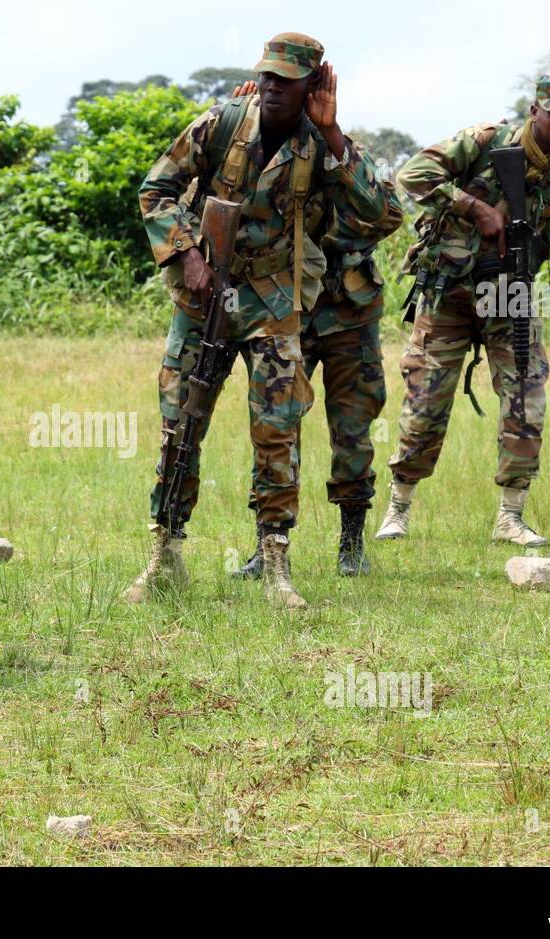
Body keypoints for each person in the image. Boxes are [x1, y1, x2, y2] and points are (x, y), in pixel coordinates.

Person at [124, 32, 395, 609]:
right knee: (180, 424)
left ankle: (275, 561)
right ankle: (164, 554)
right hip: (204, 297)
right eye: (267, 77)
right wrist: (187, 255)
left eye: (287, 81)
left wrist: (330, 131)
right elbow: (156, 189)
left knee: (278, 430)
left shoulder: (325, 142)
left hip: (273, 301)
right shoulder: (220, 122)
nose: (273, 89)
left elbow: (384, 212)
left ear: (313, 85)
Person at [375, 74, 550, 547]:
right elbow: (414, 175)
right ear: (534, 111)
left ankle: (510, 516)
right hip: (451, 293)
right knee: (424, 404)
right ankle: (398, 507)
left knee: (527, 397)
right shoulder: (484, 142)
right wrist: (473, 207)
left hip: (510, 297)